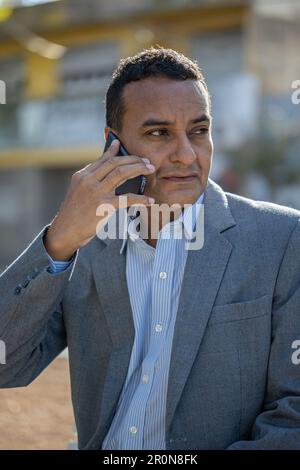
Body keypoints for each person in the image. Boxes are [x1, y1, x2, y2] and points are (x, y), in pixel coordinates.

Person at [0, 47, 300, 450]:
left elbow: (293, 418)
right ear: (114, 145)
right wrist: (59, 242)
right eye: (159, 133)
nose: (186, 154)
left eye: (198, 130)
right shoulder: (83, 246)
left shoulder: (282, 240)